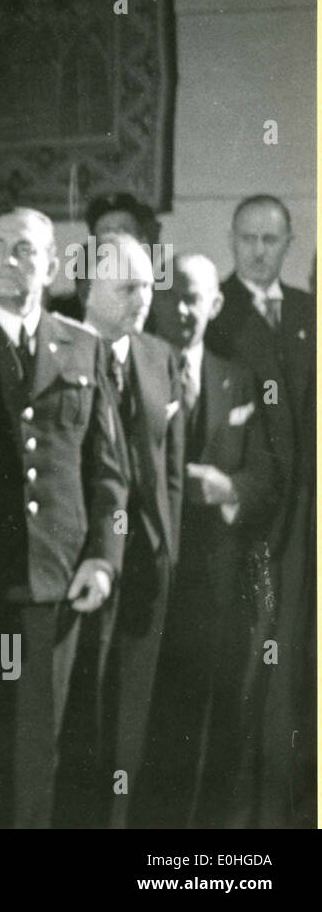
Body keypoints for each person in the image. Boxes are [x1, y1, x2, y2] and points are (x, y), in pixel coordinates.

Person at [0, 207, 127, 829]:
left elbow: (109, 470)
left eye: (24, 249)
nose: (7, 259)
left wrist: (104, 557)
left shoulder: (84, 347)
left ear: (53, 265)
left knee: (41, 754)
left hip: (57, 583)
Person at [141, 253, 278, 827]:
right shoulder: (137, 370)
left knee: (215, 728)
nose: (183, 310)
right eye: (171, 297)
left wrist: (229, 489)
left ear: (216, 303)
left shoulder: (237, 376)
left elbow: (268, 473)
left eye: (195, 297)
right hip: (150, 584)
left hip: (219, 587)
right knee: (148, 730)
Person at [205, 193, 316, 827]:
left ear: (287, 241)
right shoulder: (213, 311)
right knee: (250, 667)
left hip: (308, 523)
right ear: (232, 237)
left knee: (301, 667)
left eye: (271, 239)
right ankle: (237, 823)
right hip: (247, 526)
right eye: (247, 237)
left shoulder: (309, 312)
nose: (258, 249)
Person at [76, 233, 183, 828]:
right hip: (85, 562)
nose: (141, 297)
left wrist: (168, 548)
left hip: (148, 563)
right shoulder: (61, 348)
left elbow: (170, 466)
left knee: (133, 718)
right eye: (127, 286)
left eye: (146, 284)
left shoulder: (157, 355)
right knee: (85, 712)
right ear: (89, 289)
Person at [48, 191, 161, 321]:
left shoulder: (156, 305)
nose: (116, 241)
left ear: (141, 240)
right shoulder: (66, 311)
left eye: (124, 231)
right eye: (106, 232)